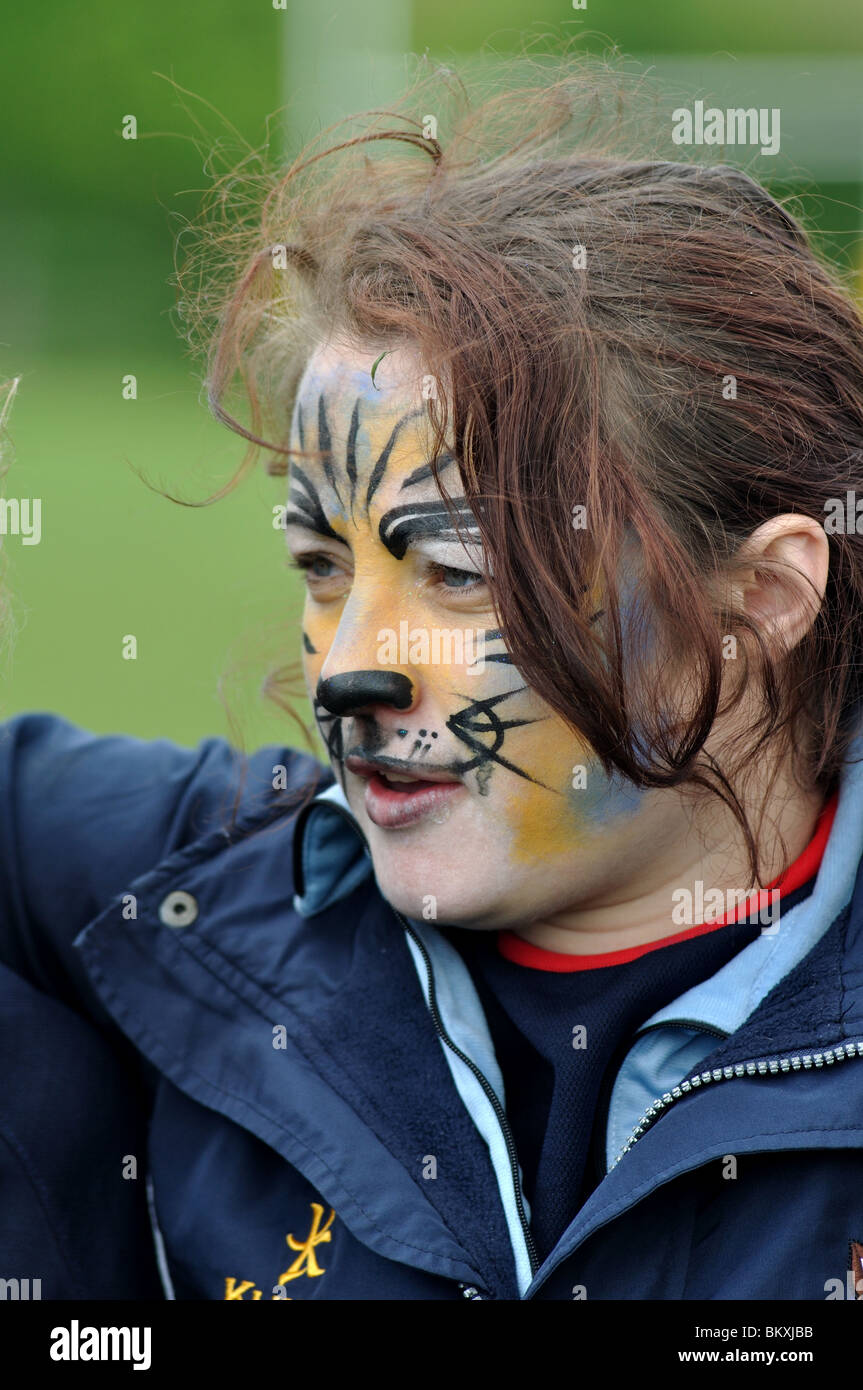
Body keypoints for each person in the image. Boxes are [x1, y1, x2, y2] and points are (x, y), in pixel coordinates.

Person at [1, 61, 863, 1302]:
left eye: (456, 573)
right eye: (317, 563)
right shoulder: (203, 895)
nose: (349, 663)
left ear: (766, 596)